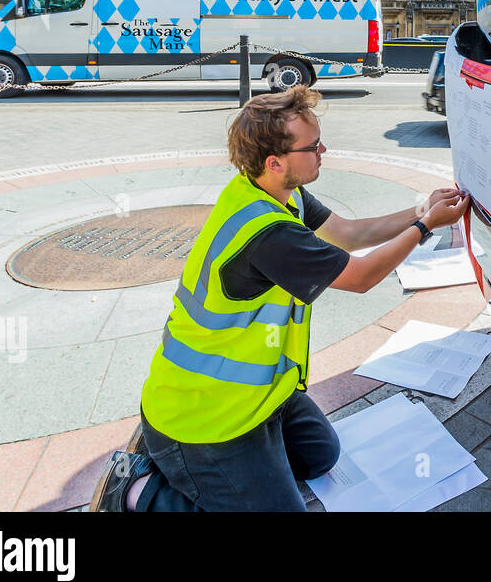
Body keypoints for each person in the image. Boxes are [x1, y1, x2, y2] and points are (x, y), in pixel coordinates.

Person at [91, 85, 470, 511]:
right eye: (313, 145)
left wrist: (423, 211)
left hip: (259, 395)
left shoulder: (273, 192)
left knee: (320, 456)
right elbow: (362, 276)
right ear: (275, 162)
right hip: (205, 416)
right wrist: (424, 229)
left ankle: (229, 473)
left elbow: (350, 234)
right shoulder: (270, 234)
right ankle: (135, 490)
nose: (324, 149)